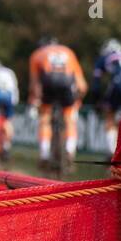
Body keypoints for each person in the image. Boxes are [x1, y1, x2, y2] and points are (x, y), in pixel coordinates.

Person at [28, 35, 87, 171]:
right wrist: (77, 101)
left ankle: (44, 154)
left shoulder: (38, 54)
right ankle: (70, 152)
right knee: (69, 119)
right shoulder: (68, 52)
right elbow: (82, 85)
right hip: (67, 82)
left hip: (48, 82)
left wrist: (35, 100)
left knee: (45, 117)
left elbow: (34, 84)